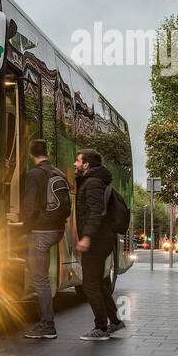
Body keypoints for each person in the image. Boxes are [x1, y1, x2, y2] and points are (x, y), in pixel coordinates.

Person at [20, 140, 71, 339]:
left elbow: (30, 208)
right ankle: (45, 320)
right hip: (57, 229)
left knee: (39, 279)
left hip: (41, 231)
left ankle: (47, 325)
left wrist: (23, 229)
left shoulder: (34, 175)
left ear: (31, 154)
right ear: (47, 152)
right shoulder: (58, 173)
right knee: (39, 276)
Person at [73, 149, 125, 340]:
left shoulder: (93, 183)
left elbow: (96, 212)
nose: (75, 164)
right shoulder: (95, 181)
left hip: (96, 241)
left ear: (86, 164)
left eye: (78, 161)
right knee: (101, 282)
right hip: (102, 239)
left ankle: (101, 328)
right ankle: (115, 322)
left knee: (90, 284)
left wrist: (86, 237)